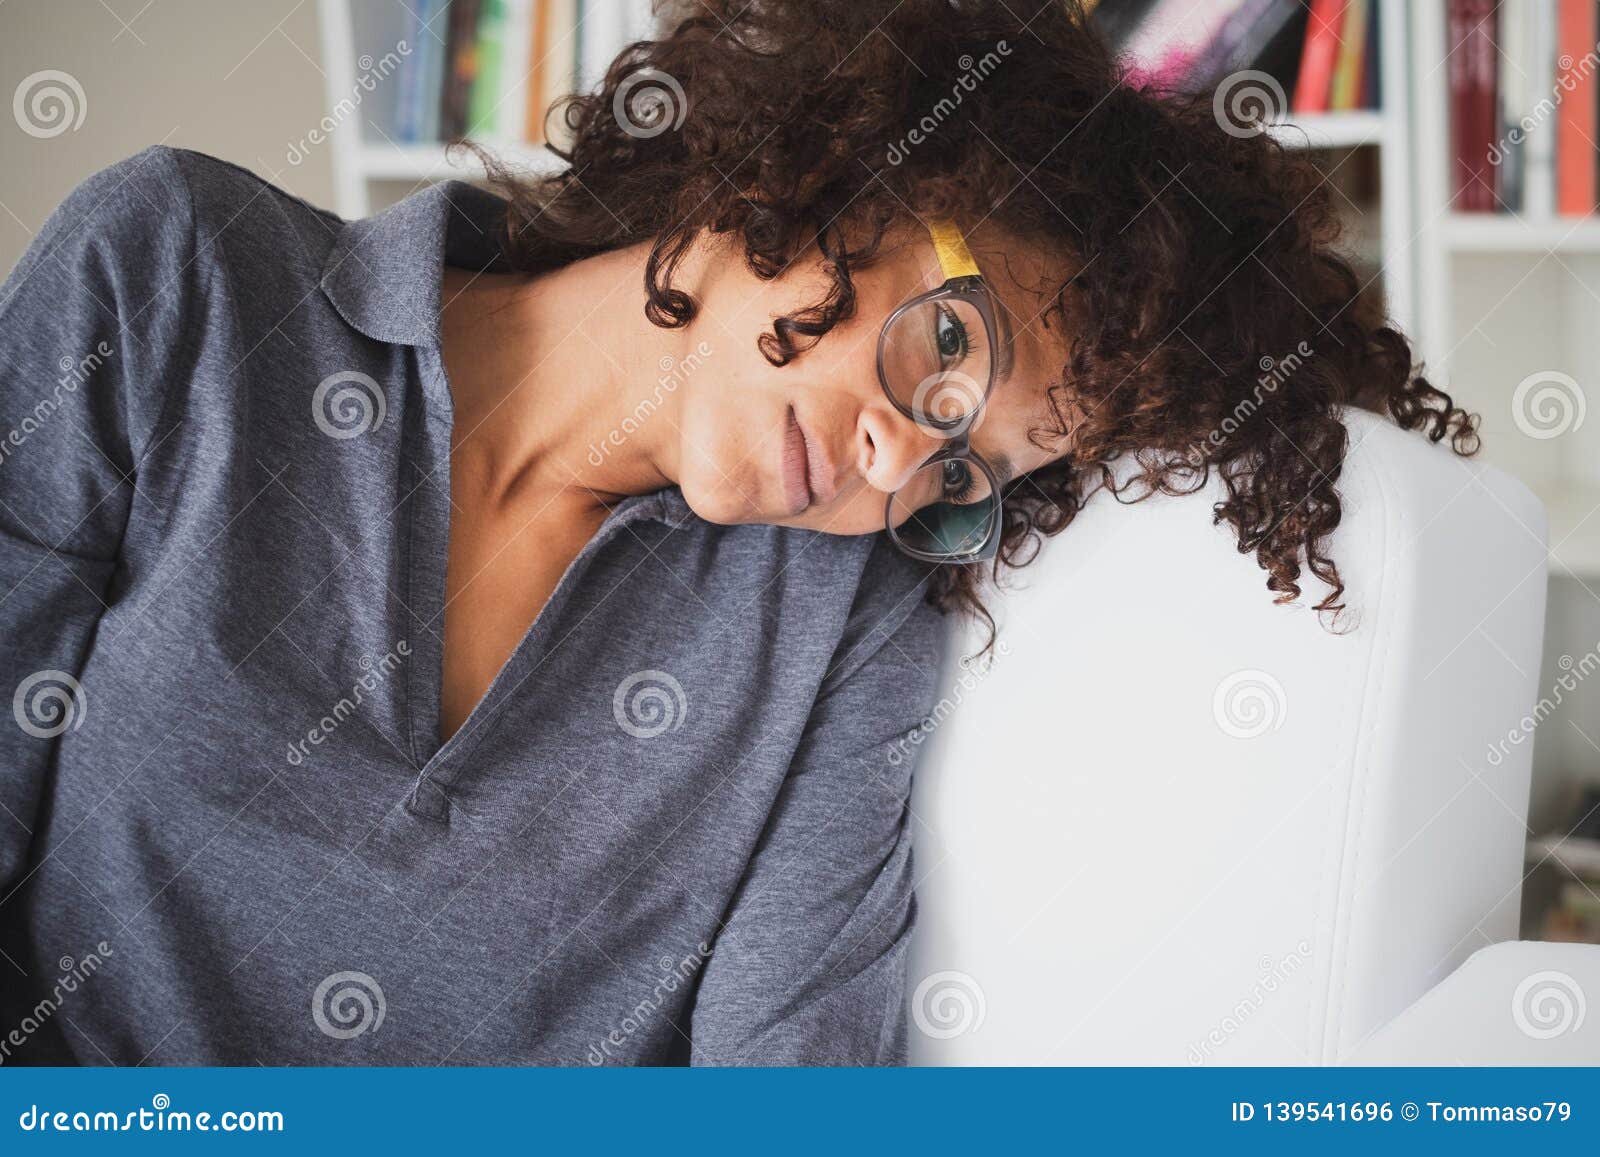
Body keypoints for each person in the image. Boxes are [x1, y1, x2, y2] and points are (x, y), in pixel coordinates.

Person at [0, 0, 1474, 1065]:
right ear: (822, 170)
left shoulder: (838, 612)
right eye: (949, 349)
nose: (898, 464)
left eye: (967, 467)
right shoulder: (181, 275)